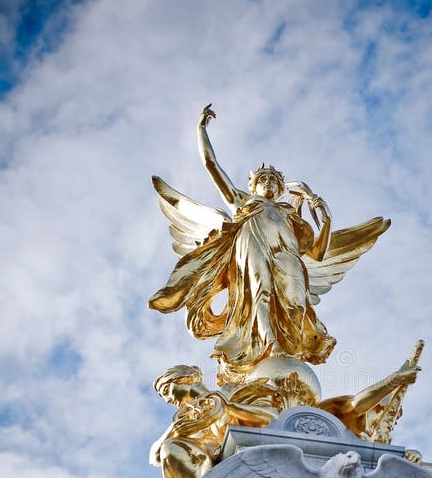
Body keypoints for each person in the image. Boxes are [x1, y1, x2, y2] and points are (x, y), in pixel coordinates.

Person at [149, 105, 389, 384]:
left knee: (297, 305)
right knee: (259, 293)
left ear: (281, 188)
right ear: (253, 185)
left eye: (274, 180)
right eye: (263, 179)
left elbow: (318, 253)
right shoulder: (245, 202)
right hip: (253, 247)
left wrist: (326, 220)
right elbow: (211, 165)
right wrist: (200, 129)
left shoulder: (290, 215)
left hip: (287, 256)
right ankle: (270, 344)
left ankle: (289, 344)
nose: (269, 183)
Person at [149, 365, 275, 478]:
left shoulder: (230, 392)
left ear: (185, 379)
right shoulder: (185, 422)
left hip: (243, 463)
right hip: (210, 475)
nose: (168, 400)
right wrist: (172, 431)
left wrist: (229, 406)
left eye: (166, 391)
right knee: (170, 446)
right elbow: (154, 459)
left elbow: (272, 417)